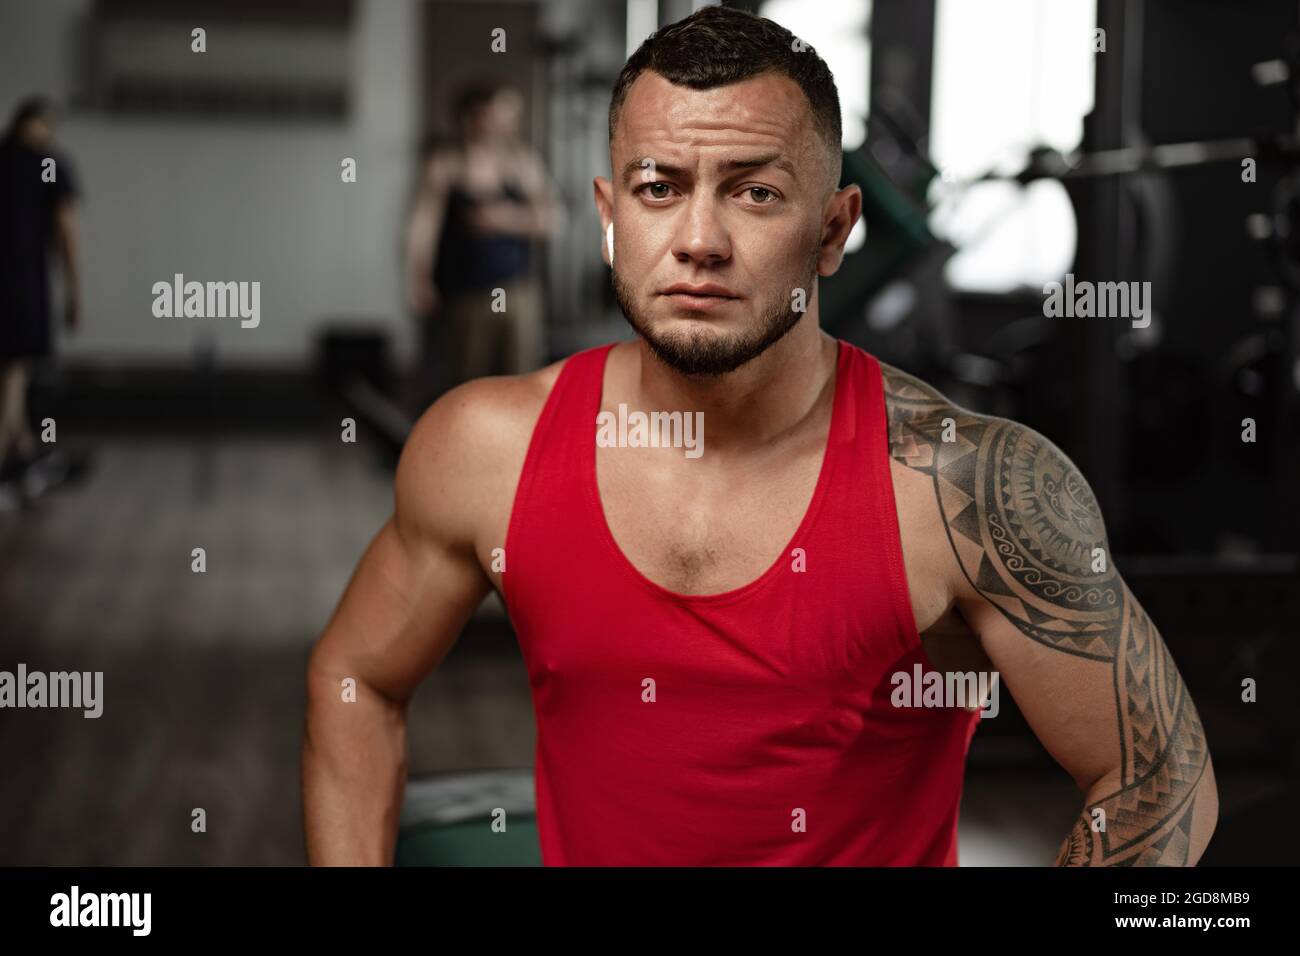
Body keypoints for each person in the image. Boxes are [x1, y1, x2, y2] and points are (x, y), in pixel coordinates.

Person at [304, 6, 1217, 866]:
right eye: (658, 188)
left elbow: (1158, 774)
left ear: (833, 230)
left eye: (754, 193)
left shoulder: (961, 484)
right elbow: (357, 678)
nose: (699, 239)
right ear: (609, 214)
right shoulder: (488, 448)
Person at [403, 82, 563, 403]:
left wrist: (507, 218)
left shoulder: (521, 162)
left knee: (521, 383)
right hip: (466, 293)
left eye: (509, 116)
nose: (505, 124)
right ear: (472, 117)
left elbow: (555, 219)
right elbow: (423, 225)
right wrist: (417, 278)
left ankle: (517, 450)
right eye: (497, 115)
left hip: (517, 292)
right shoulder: (446, 164)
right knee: (468, 383)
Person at [0, 96, 81, 507]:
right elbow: (66, 233)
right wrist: (75, 293)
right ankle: (10, 465)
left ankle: (26, 455)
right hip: (22, 284)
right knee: (14, 374)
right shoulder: (48, 167)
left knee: (11, 376)